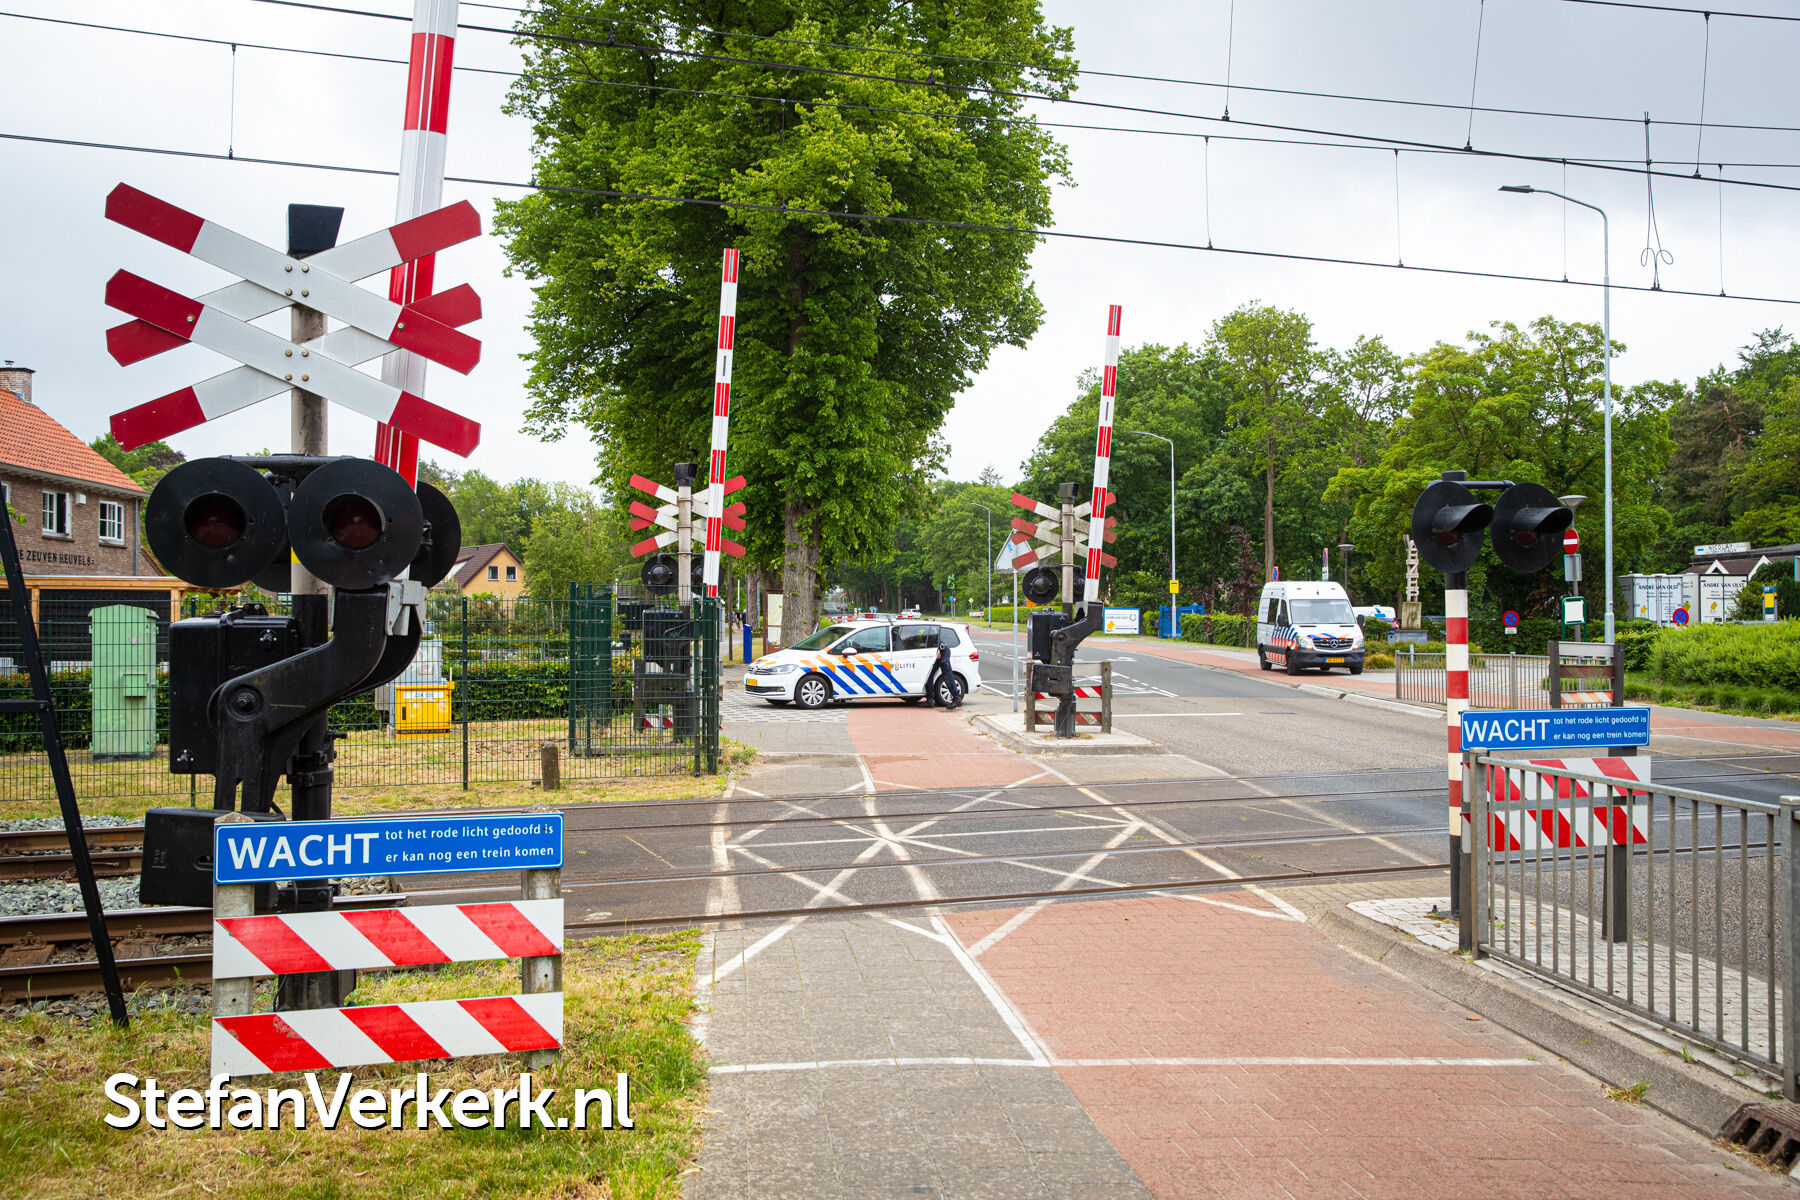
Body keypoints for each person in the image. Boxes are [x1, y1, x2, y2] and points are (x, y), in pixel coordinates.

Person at [925, 628, 962, 709]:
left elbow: (937, 639)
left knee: (947, 675)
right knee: (928, 674)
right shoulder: (922, 631)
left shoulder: (928, 629)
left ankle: (957, 698)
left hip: (943, 652)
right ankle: (930, 700)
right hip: (935, 652)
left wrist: (937, 648)